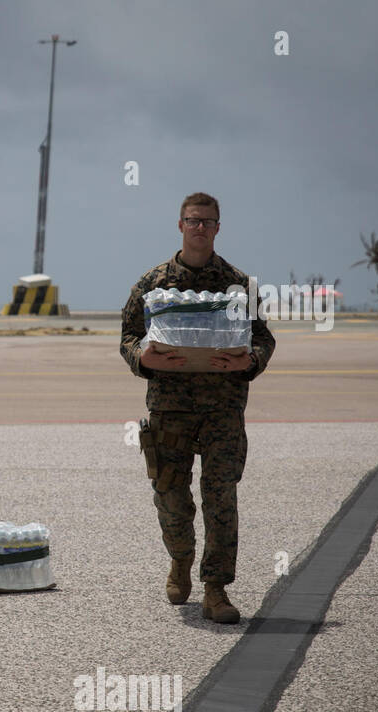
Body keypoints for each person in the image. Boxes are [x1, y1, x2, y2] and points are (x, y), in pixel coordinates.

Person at [119, 192, 275, 624]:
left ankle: (216, 589)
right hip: (170, 410)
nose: (200, 228)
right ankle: (180, 561)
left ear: (218, 227)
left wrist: (251, 361)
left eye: (208, 221)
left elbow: (263, 338)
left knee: (220, 497)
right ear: (180, 225)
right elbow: (128, 336)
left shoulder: (240, 285)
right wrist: (141, 359)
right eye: (193, 220)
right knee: (170, 495)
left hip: (223, 411)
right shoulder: (152, 283)